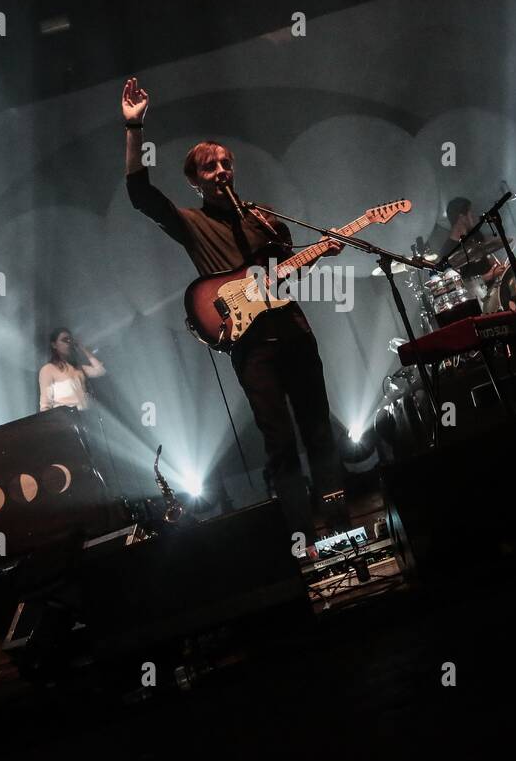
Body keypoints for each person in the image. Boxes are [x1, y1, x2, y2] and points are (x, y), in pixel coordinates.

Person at [121, 76, 348, 538]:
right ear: (194, 181)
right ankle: (300, 534)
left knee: (319, 429)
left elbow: (287, 266)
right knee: (280, 439)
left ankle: (342, 522)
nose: (221, 171)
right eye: (210, 168)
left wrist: (320, 251)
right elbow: (141, 196)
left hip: (293, 330)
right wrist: (134, 128)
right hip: (250, 344)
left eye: (226, 164)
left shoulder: (262, 218)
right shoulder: (191, 223)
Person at [38, 328, 105, 412]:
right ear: (54, 345)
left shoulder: (78, 368)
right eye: (64, 340)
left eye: (70, 340)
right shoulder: (48, 369)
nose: (68, 343)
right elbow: (45, 404)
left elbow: (100, 370)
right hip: (65, 418)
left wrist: (82, 347)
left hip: (86, 416)